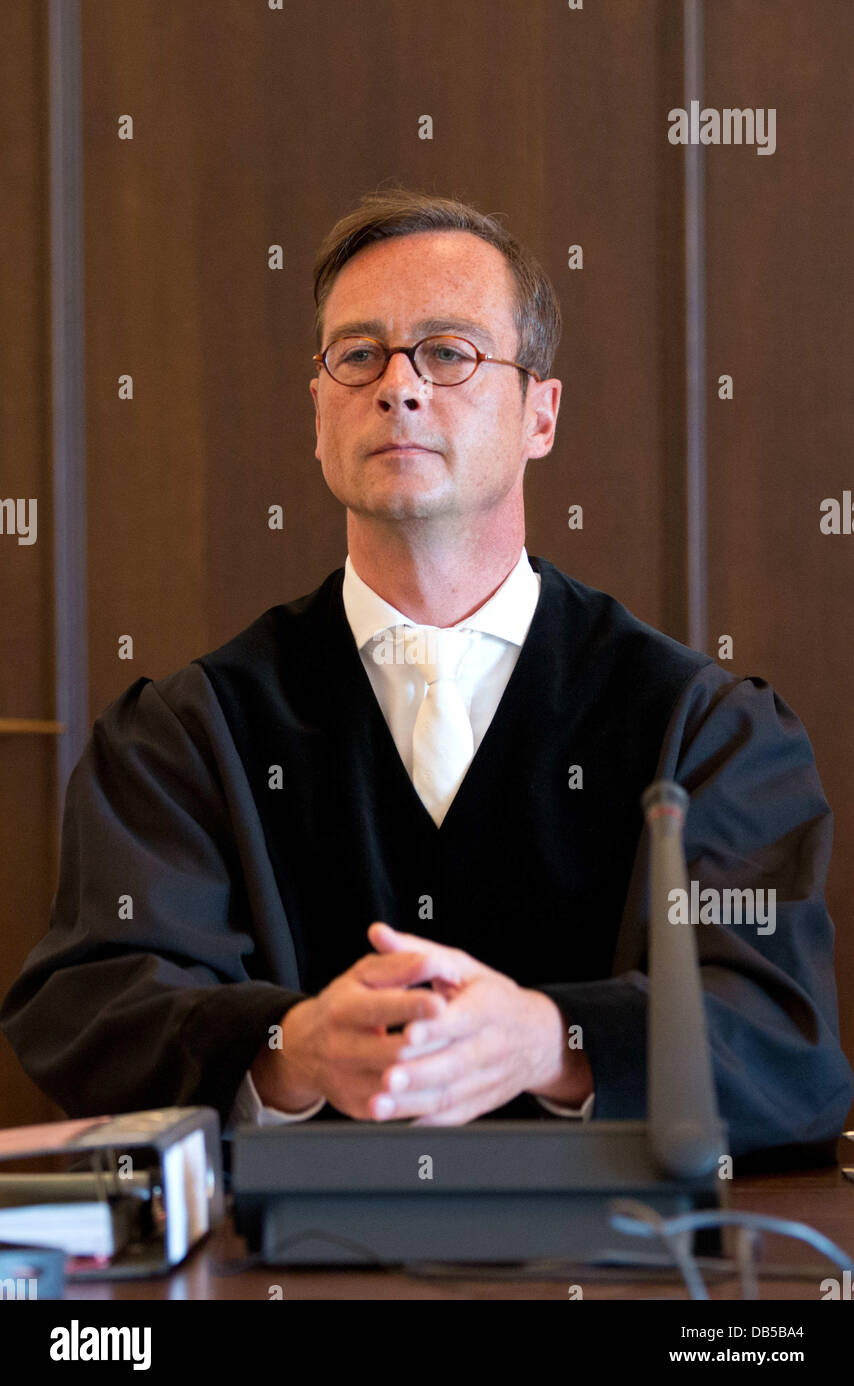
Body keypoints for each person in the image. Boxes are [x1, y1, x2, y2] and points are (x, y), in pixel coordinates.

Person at [2, 187, 851, 1159]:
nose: (397, 387)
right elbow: (89, 1006)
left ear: (541, 412)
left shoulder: (704, 731)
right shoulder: (184, 734)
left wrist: (550, 1039)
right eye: (358, 354)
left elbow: (782, 1046)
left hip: (627, 1273)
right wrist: (289, 1047)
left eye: (448, 352)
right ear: (317, 411)